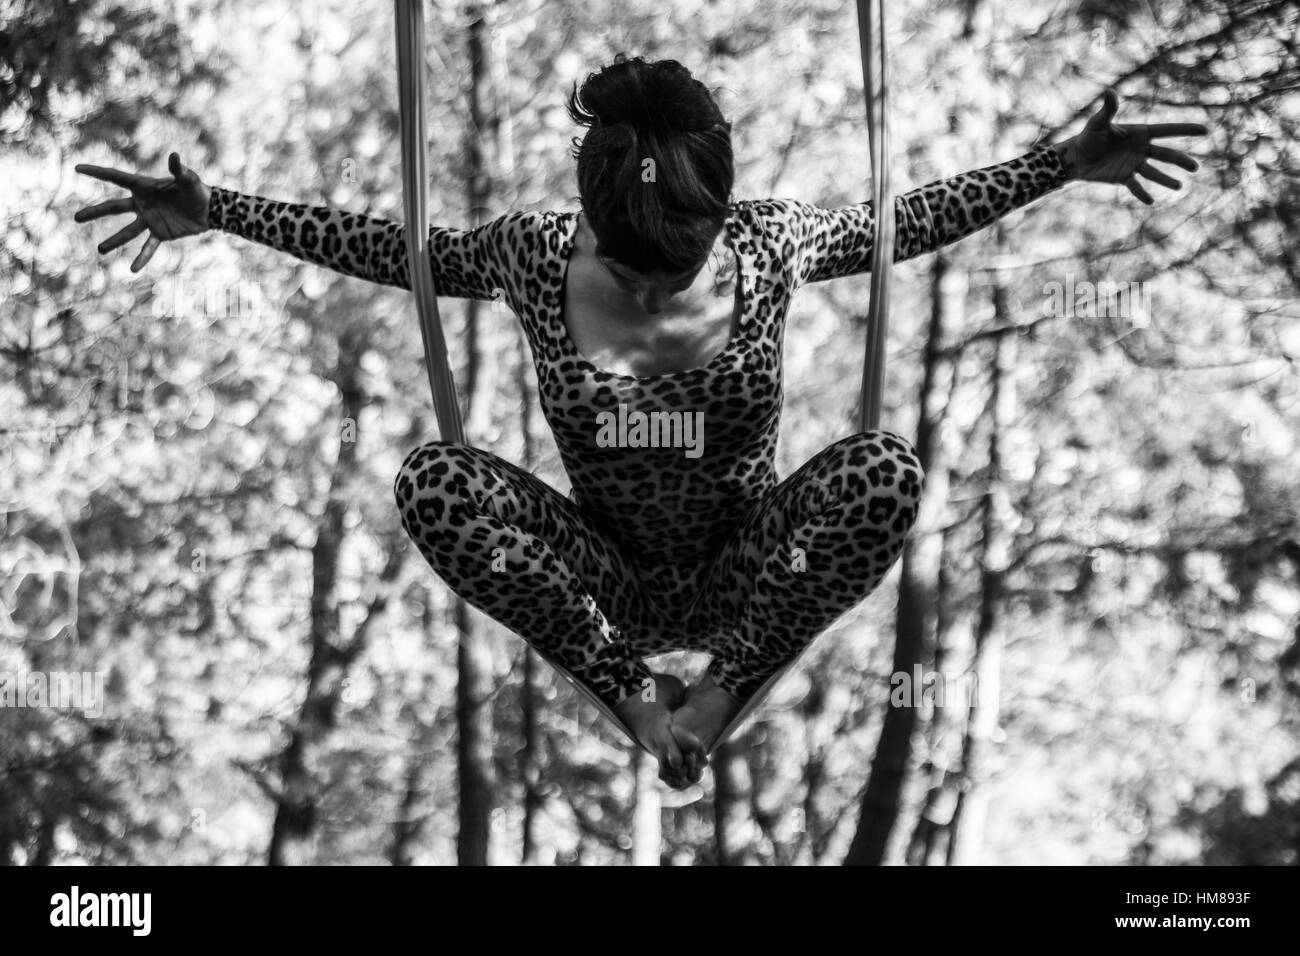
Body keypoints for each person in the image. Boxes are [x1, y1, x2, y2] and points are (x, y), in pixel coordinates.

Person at [75, 56, 1206, 789]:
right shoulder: (528, 255)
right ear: (587, 224)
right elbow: (387, 249)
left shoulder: (771, 243)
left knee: (884, 471)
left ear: (722, 219)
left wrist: (1062, 165)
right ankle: (629, 690)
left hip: (748, 567)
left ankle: (716, 691)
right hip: (597, 574)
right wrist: (217, 211)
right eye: (634, 274)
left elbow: (911, 216)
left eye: (684, 270)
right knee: (431, 478)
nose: (660, 297)